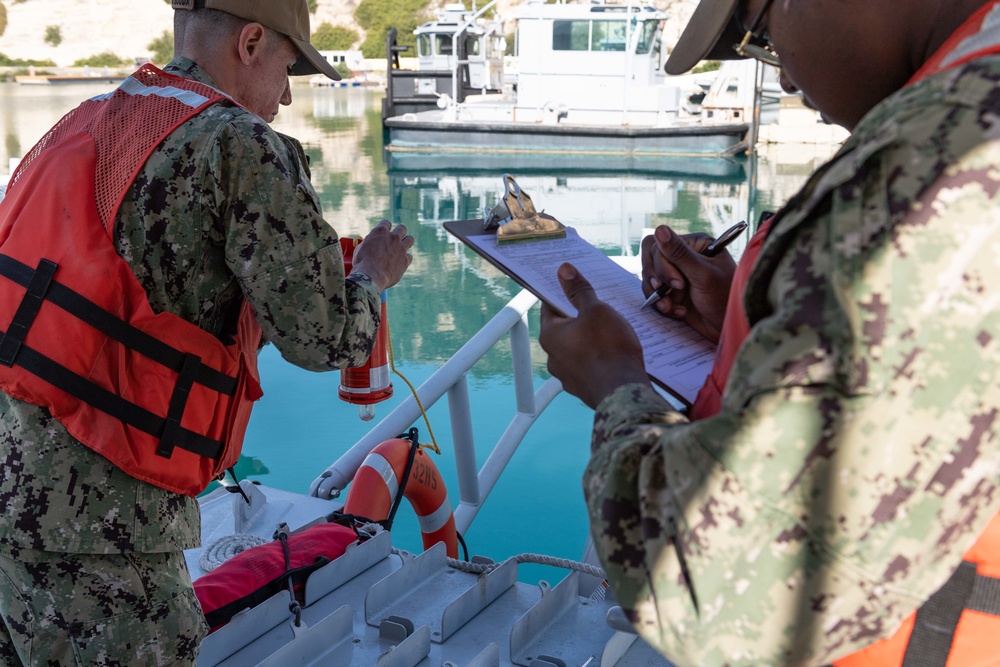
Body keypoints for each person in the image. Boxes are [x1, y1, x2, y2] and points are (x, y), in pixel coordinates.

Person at [539, 0, 1000, 664]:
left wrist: (614, 383)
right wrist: (748, 313)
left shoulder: (940, 160)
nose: (781, 77)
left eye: (761, 34)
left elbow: (721, 587)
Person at [0, 1, 414, 665]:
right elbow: (324, 338)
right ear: (250, 43)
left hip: (12, 487)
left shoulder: (90, 119)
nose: (285, 97)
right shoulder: (240, 144)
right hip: (103, 527)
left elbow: (137, 301)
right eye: (287, 70)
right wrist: (371, 275)